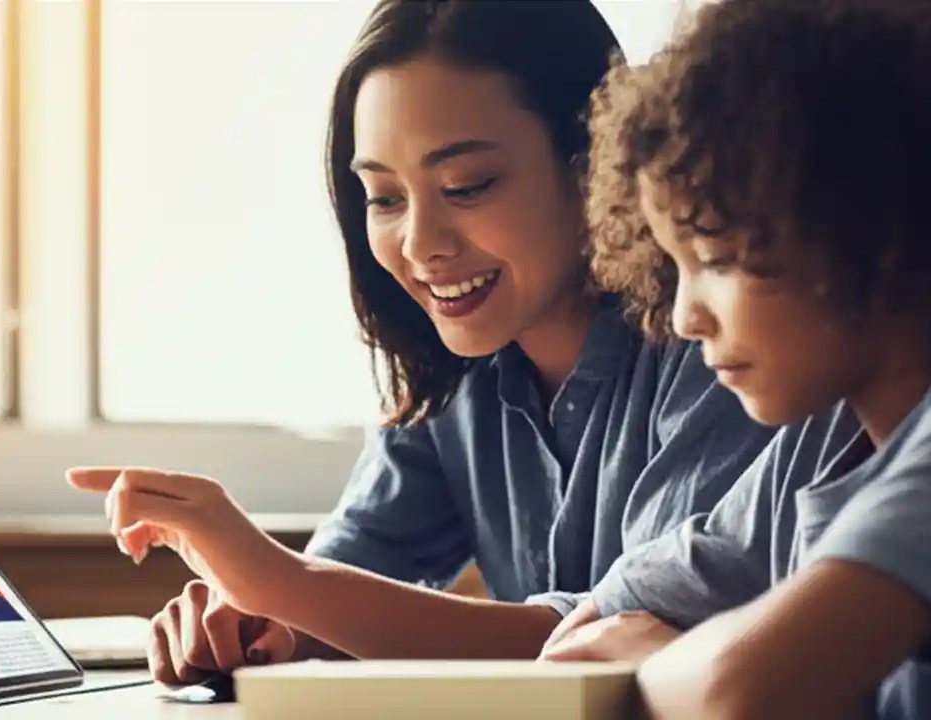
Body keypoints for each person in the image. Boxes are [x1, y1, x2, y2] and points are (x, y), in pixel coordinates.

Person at [71, 0, 770, 685]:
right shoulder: (452, 378)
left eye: (467, 185)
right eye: (384, 197)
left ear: (596, 163)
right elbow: (356, 576)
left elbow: (618, 640)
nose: (420, 245)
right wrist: (261, 624)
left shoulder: (725, 346)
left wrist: (286, 583)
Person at [538, 0, 931, 717]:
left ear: (873, 219)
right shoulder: (831, 432)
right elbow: (596, 623)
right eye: (675, 266)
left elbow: (739, 690)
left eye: (716, 259)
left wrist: (665, 660)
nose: (683, 316)